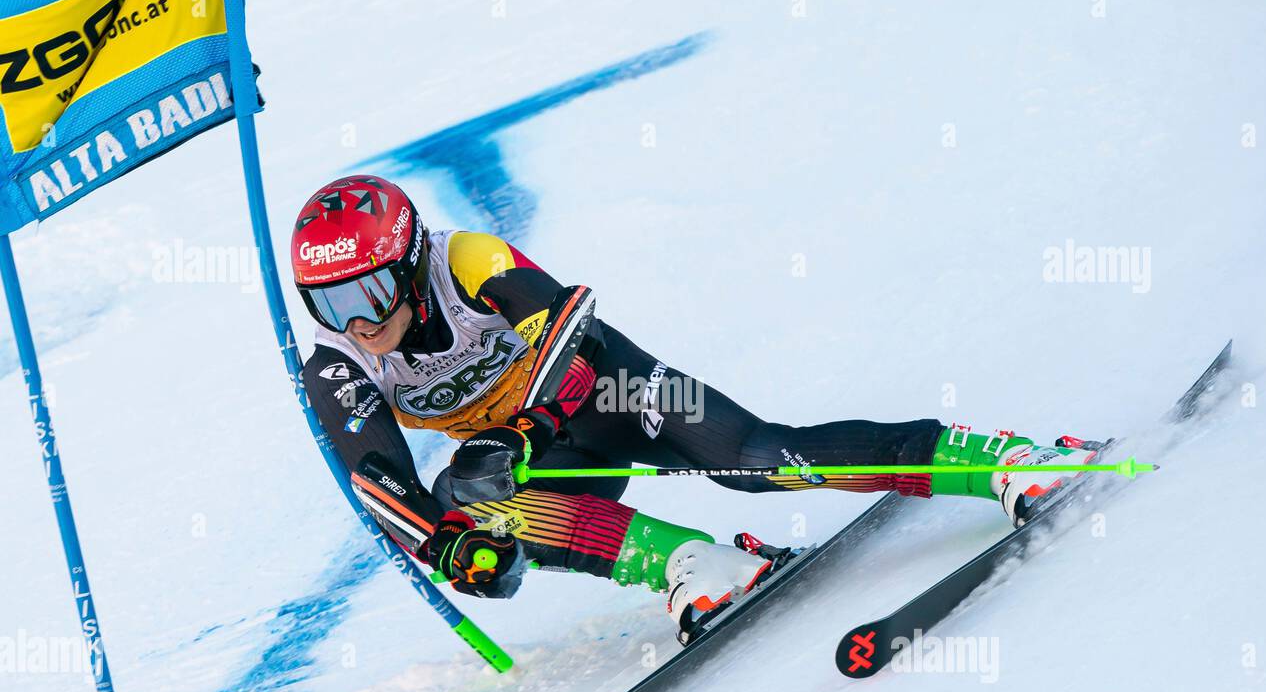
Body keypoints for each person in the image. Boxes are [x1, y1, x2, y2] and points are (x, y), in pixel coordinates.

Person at [292, 175, 1098, 643]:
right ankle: (694, 565)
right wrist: (450, 551)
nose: (357, 323)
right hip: (537, 453)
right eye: (328, 306)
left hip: (612, 388)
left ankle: (999, 459)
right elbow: (378, 480)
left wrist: (526, 427)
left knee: (760, 462)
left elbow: (571, 323)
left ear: (410, 259)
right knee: (468, 502)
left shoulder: (464, 260)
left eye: (366, 293)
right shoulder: (337, 360)